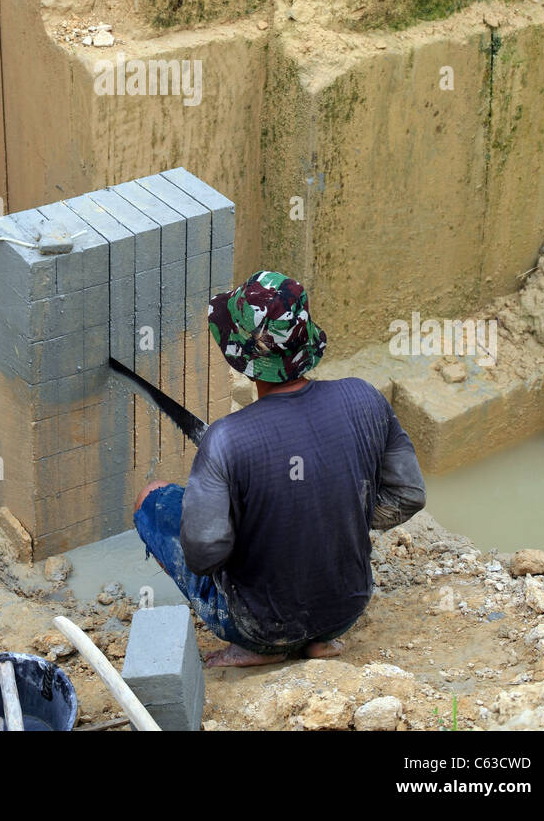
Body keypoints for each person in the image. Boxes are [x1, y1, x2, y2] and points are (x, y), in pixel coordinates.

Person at [133, 271, 426, 667]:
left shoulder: (225, 440)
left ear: (241, 356)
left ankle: (254, 649)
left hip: (257, 624)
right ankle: (319, 641)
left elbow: (203, 554)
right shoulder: (365, 399)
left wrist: (257, 527)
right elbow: (409, 495)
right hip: (346, 608)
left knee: (151, 496)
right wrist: (337, 514)